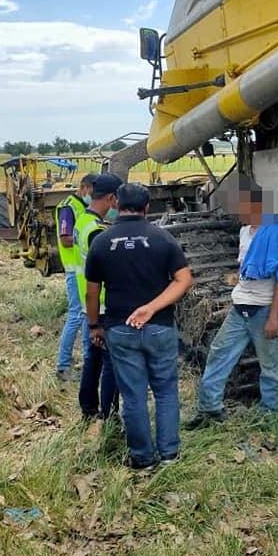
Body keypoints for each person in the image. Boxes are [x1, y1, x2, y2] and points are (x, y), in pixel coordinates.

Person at [84, 182, 193, 470]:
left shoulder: (101, 242)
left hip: (119, 329)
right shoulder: (162, 239)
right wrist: (152, 308)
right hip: (160, 328)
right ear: (147, 207)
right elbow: (183, 280)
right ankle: (169, 454)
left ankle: (143, 459)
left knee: (133, 395)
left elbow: (91, 293)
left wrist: (95, 325)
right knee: (166, 391)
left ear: (117, 204)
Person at [185, 175, 278, 429]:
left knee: (270, 364)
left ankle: (271, 415)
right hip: (240, 307)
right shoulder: (245, 232)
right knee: (219, 353)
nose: (235, 213)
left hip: (264, 310)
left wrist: (274, 316)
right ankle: (209, 409)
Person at [74, 172, 122, 421]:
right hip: (102, 306)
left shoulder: (82, 221)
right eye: (119, 201)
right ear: (113, 199)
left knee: (93, 359)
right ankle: (108, 414)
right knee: (110, 363)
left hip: (89, 306)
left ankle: (89, 408)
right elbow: (106, 270)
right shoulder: (96, 231)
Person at [55, 172, 99, 381]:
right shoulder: (68, 207)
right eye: (92, 191)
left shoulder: (81, 206)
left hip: (83, 270)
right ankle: (63, 366)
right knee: (75, 316)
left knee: (85, 315)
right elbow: (65, 239)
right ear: (83, 187)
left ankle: (88, 360)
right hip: (74, 270)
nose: (93, 195)